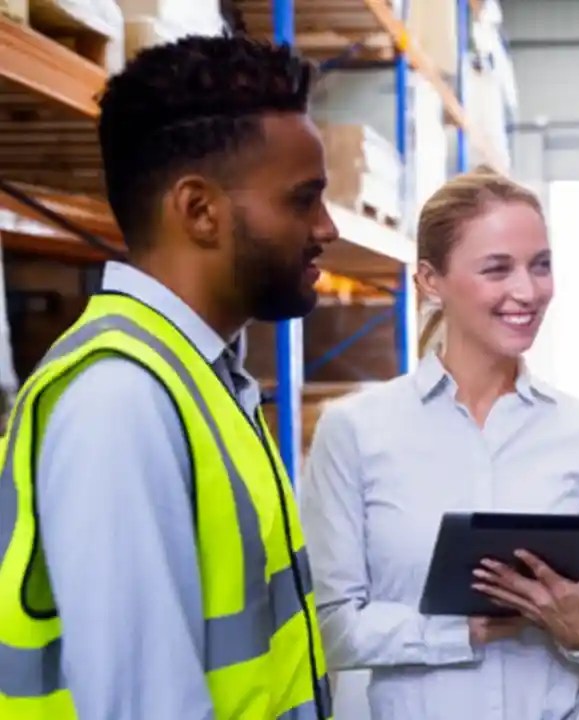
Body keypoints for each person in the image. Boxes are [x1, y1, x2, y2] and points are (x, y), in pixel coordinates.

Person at [0, 36, 337, 718]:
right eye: (303, 200)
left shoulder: (199, 379)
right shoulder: (119, 402)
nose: (326, 228)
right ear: (199, 210)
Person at [299, 166, 579, 720]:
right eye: (497, 269)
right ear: (429, 281)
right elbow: (328, 627)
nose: (528, 291)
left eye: (540, 266)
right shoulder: (357, 432)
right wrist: (459, 630)